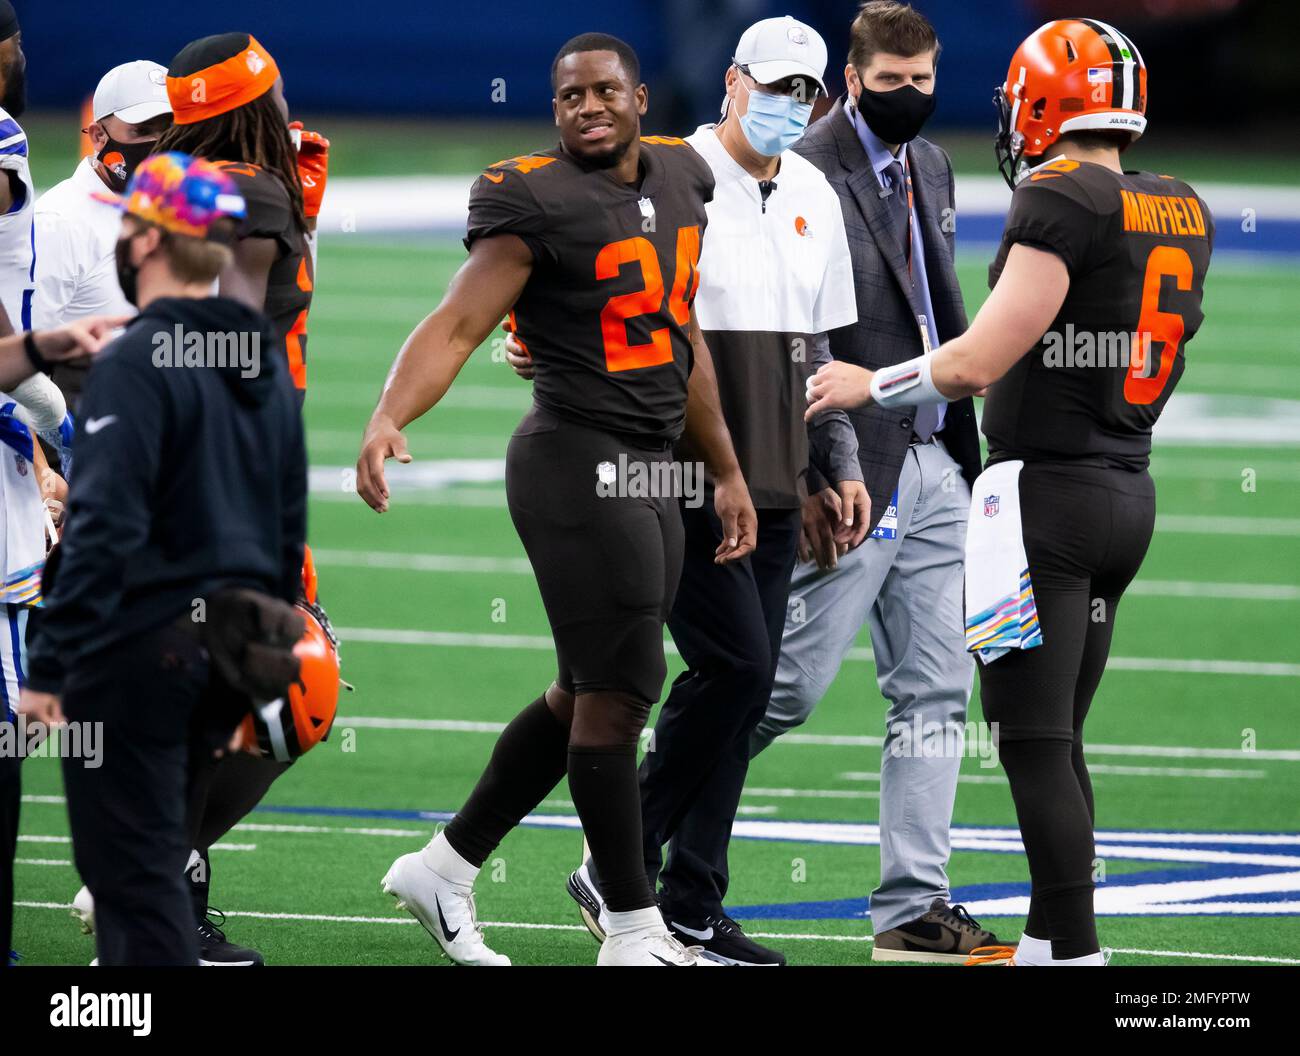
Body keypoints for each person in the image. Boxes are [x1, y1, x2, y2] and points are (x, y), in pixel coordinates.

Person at [805, 18, 1214, 966]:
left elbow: (980, 362)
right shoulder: (1181, 204)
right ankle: (1051, 938)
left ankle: (1071, 949)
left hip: (1041, 502)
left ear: (1042, 104)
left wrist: (872, 384)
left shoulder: (1060, 199)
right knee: (1059, 735)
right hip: (1126, 490)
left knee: (1029, 739)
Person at [358, 33, 756, 967]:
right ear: (555, 109)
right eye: (570, 96)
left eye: (604, 91)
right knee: (620, 699)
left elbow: (677, 327)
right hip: (577, 461)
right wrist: (387, 413)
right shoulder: (529, 197)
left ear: (641, 97)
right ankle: (632, 929)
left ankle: (445, 867)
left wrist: (727, 467)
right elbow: (459, 322)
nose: (588, 107)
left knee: (587, 688)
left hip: (655, 458)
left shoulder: (680, 178)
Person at [510, 15, 867, 966]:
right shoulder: (672, 173)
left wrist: (836, 463)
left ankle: (695, 903)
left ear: (820, 99)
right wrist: (536, 332)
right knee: (735, 669)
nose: (785, 105)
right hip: (674, 469)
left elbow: (817, 348)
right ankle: (617, 859)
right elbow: (588, 281)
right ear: (732, 82)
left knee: (738, 693)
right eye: (770, 85)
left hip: (778, 473)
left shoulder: (817, 193)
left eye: (803, 91)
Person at [747, 0, 1004, 962]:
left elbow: (937, 307)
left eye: (923, 80)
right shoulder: (804, 165)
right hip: (856, 465)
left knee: (938, 695)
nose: (910, 96)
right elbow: (791, 331)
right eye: (890, 82)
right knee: (780, 690)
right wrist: (821, 464)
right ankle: (628, 852)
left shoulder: (930, 163)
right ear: (851, 79)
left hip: (935, 457)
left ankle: (911, 908)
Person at [20, 152, 308, 967]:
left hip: (141, 647)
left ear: (145, 240)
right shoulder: (261, 358)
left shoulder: (137, 359)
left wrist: (46, 664)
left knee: (132, 877)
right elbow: (286, 522)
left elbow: (105, 526)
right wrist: (263, 644)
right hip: (231, 647)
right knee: (155, 860)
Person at [106, 31, 329, 964]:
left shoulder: (184, 182)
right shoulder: (254, 190)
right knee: (286, 695)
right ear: (251, 104)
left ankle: (161, 897)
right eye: (273, 97)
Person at [33, 59, 172, 411]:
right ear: (97, 136)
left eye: (171, 128)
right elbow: (19, 356)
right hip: (86, 444)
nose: (160, 144)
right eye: (143, 130)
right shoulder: (59, 220)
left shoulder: (177, 207)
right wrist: (41, 462)